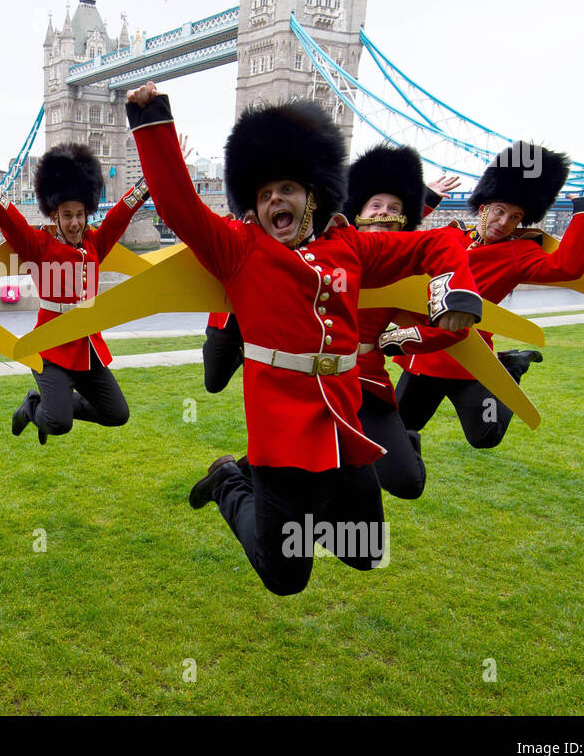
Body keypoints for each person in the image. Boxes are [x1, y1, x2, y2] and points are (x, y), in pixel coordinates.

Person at [125, 81, 481, 595]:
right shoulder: (239, 249)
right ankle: (229, 479)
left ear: (313, 195)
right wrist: (153, 121)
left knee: (365, 553)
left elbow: (440, 240)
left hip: (342, 423)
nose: (275, 201)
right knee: (285, 577)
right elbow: (179, 205)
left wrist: (452, 295)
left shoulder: (349, 245)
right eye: (265, 195)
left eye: (286, 190)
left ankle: (299, 517)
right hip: (280, 433)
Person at [193, 148, 463, 502]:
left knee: (404, 483)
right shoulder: (332, 241)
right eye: (376, 206)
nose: (384, 214)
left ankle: (251, 479)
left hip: (361, 379)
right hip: (287, 360)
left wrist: (402, 338)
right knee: (217, 383)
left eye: (395, 210)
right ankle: (246, 480)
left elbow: (402, 237)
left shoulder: (375, 248)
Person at [390, 142, 584, 449]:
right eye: (499, 211)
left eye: (515, 217)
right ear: (483, 209)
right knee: (396, 435)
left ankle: (511, 367)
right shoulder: (448, 236)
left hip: (473, 361)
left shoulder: (519, 253)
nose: (504, 223)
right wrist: (424, 200)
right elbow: (388, 244)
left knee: (485, 436)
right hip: (425, 358)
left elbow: (569, 267)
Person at [0, 134, 145, 443]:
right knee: (58, 423)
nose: (74, 223)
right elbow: (9, 220)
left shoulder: (95, 243)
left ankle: (49, 406)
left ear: (87, 212)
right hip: (50, 349)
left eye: (79, 214)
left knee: (117, 414)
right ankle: (33, 406)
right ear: (54, 215)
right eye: (67, 215)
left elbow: (122, 213)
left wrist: (151, 179)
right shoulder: (39, 246)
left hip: (86, 349)